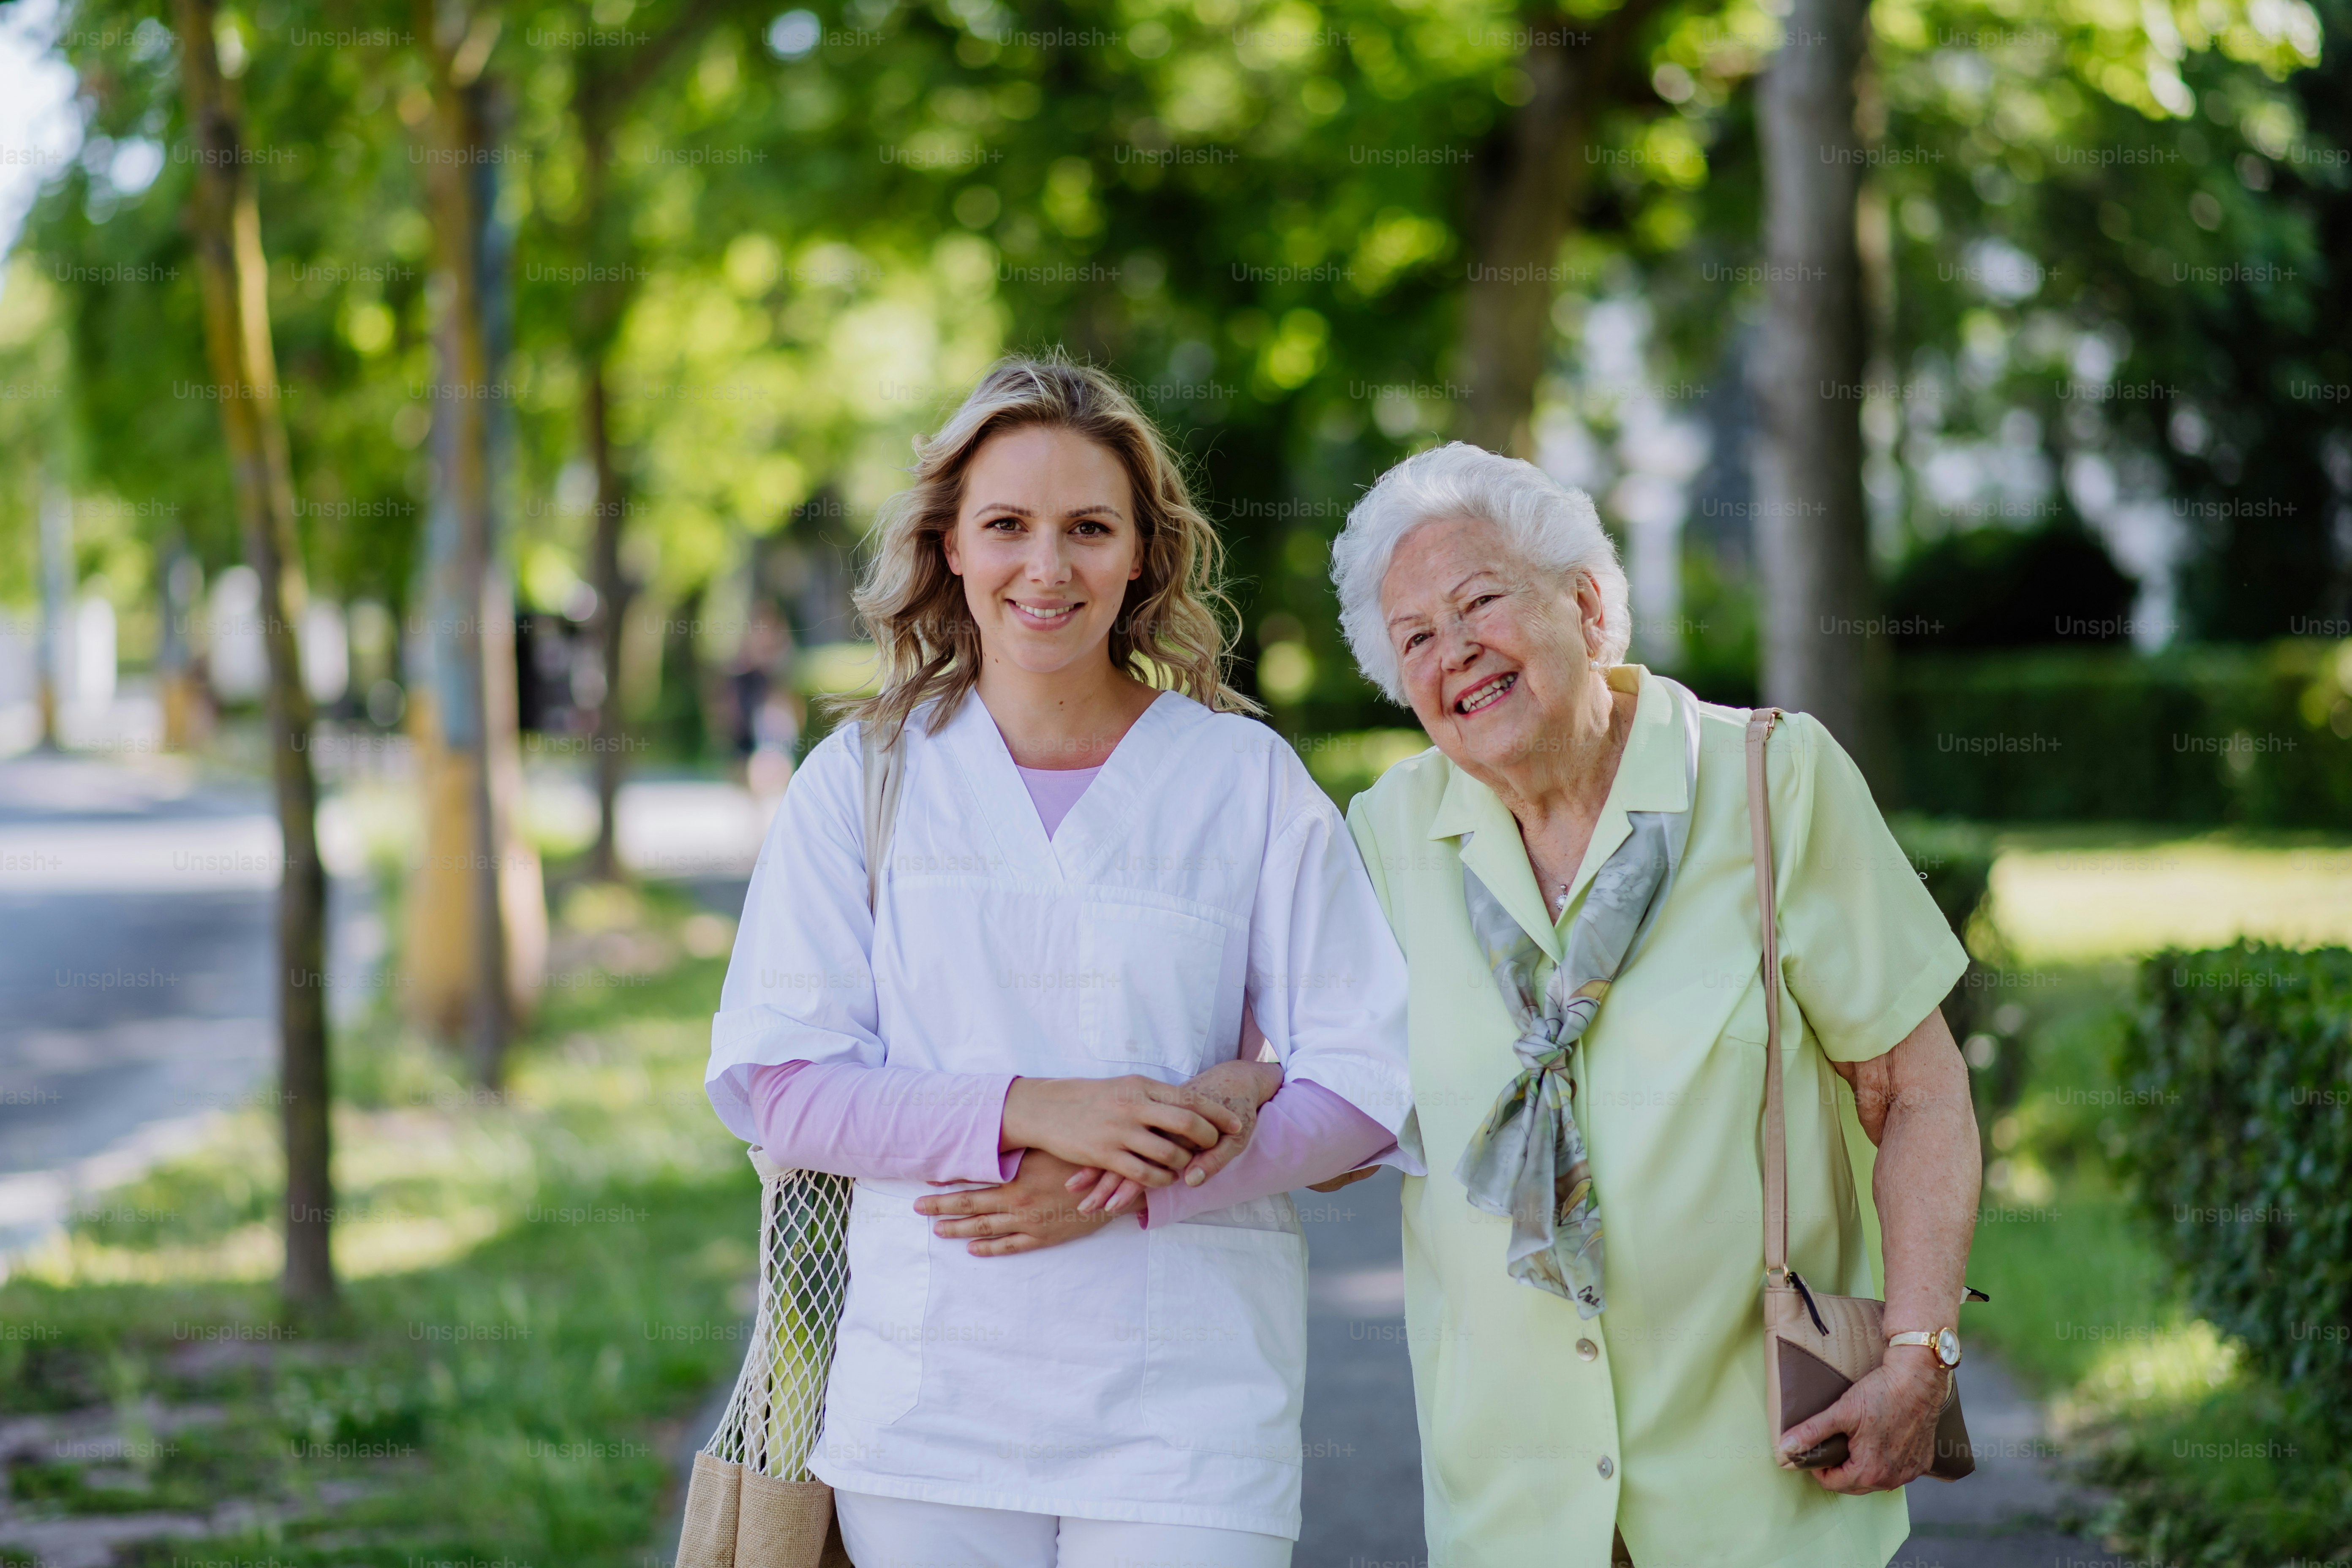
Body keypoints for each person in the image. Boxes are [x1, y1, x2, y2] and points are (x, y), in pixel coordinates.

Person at [704, 357, 1415, 1568]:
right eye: (1007, 527)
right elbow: (784, 1086)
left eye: (1089, 528)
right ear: (951, 550)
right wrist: (1038, 1111)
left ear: (1142, 552)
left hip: (1189, 1407)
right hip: (928, 1407)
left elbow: (1359, 1084)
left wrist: (1123, 1188)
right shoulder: (862, 781)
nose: (1049, 567)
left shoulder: (1242, 782)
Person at [1327, 442, 1982, 1568]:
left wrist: (1918, 1356)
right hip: (1511, 1508)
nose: (1457, 654)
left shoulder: (1772, 783)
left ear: (1585, 604)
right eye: (1417, 638)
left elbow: (1919, 1091)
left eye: (1480, 602)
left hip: (1766, 1487)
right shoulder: (1387, 838)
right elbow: (1329, 1106)